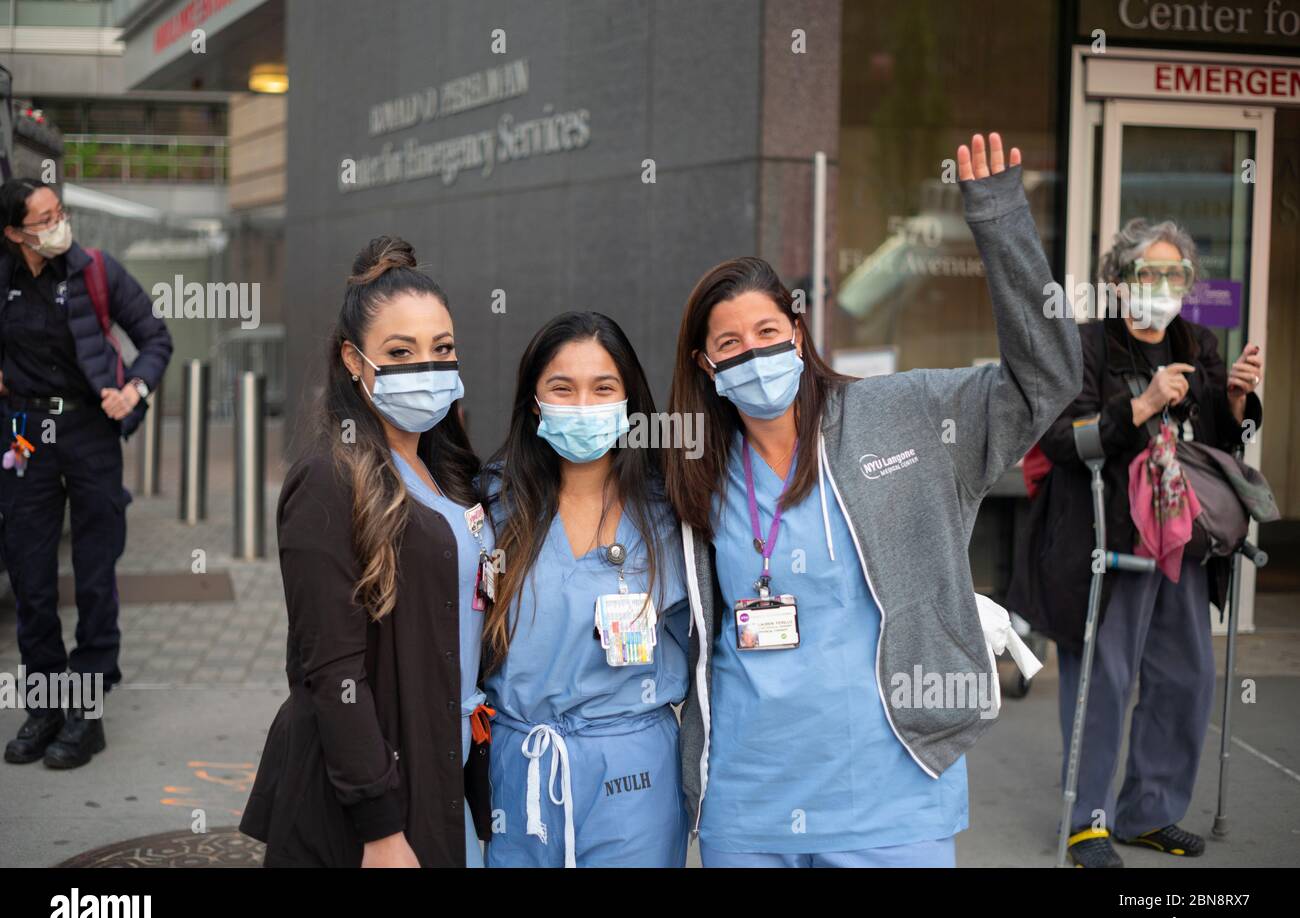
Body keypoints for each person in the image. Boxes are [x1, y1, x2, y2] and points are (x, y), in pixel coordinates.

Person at [663, 133, 1083, 867]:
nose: (752, 353)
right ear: (705, 364)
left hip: (894, 798)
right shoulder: (693, 474)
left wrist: (998, 220)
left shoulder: (904, 415)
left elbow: (1044, 377)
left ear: (798, 332)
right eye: (729, 344)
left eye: (768, 331)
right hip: (748, 804)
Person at [1006, 218, 1264, 868]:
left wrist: (1233, 403)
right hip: (1102, 540)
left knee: (1186, 677)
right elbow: (1062, 441)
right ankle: (1087, 821)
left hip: (1179, 539)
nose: (1162, 286)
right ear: (1118, 281)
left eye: (1174, 274)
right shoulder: (1083, 347)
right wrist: (1140, 407)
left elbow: (1217, 449)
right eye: (1147, 273)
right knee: (1105, 679)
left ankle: (1148, 811)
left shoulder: (1198, 342)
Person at [239, 236, 492, 867]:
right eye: (400, 352)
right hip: (369, 799)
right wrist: (379, 828)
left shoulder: (446, 467)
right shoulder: (330, 478)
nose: (427, 368)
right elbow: (332, 673)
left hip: (443, 766)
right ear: (354, 361)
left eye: (443, 350)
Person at [481, 311, 691, 867]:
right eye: (561, 387)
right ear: (534, 402)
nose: (583, 405)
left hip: (635, 775)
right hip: (521, 763)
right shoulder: (492, 507)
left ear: (629, 402)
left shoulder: (672, 511)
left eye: (603, 388)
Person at [0, 178, 172, 769]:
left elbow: (155, 336)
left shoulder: (95, 269)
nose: (57, 224)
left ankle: (86, 712)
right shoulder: (5, 279)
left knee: (95, 575)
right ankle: (45, 704)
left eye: (59, 213)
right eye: (43, 219)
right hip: (25, 436)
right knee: (30, 575)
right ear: (13, 233)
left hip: (90, 432)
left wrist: (136, 389)